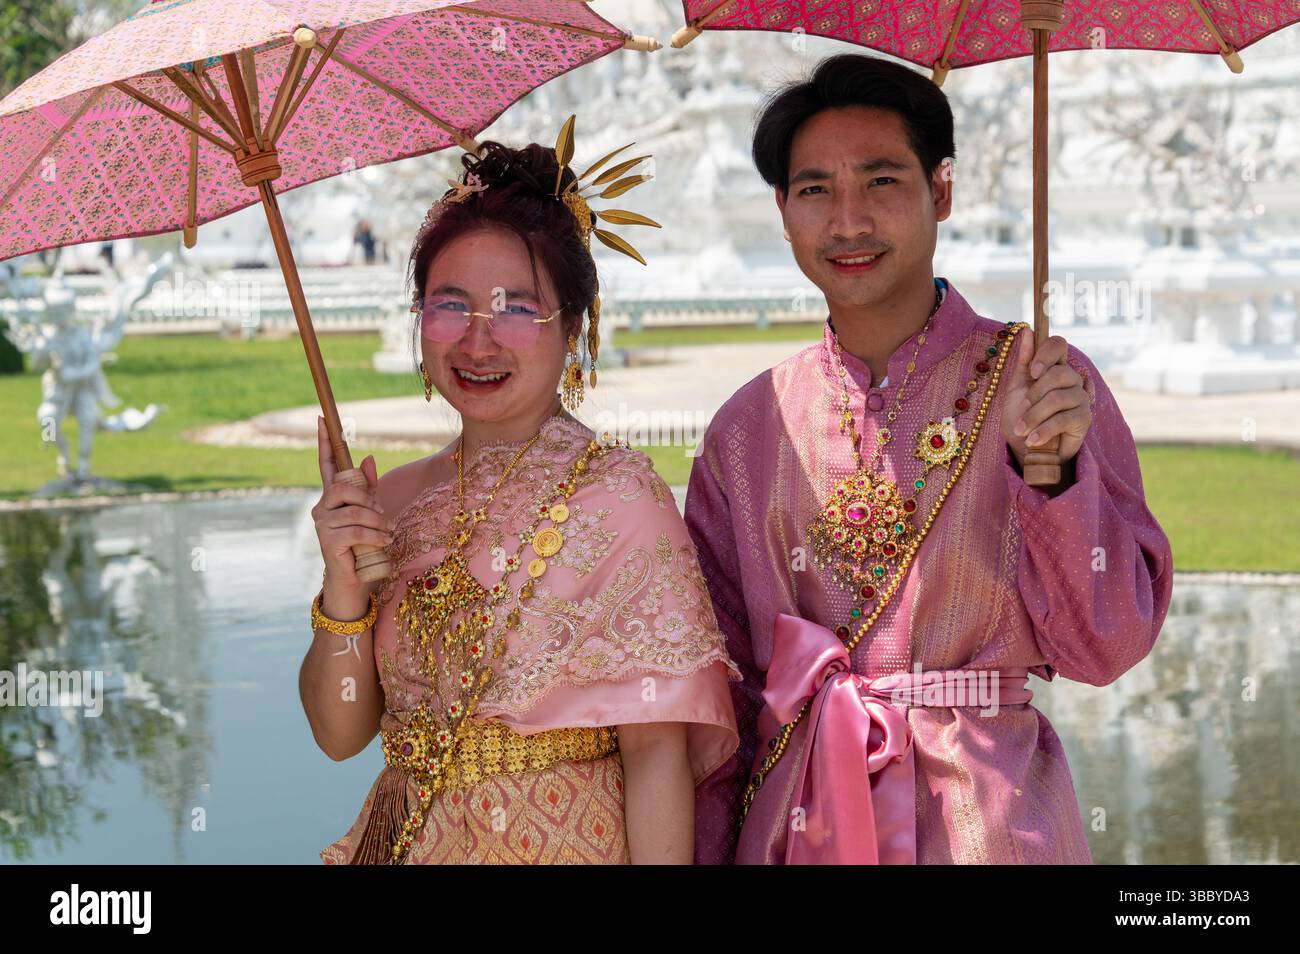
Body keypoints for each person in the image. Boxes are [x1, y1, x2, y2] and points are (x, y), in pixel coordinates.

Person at [687, 54, 1175, 864]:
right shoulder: (749, 427)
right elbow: (715, 701)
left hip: (990, 822)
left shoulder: (1042, 381)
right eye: (815, 190)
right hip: (798, 825)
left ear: (939, 191)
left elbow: (1107, 648)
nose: (848, 221)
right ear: (781, 210)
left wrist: (1047, 478)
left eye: (882, 182)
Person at [304, 121, 740, 865]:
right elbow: (342, 736)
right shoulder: (392, 501)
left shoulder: (621, 498)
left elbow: (656, 756)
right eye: (450, 306)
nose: (477, 341)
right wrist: (341, 587)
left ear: (572, 327)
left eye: (514, 309)